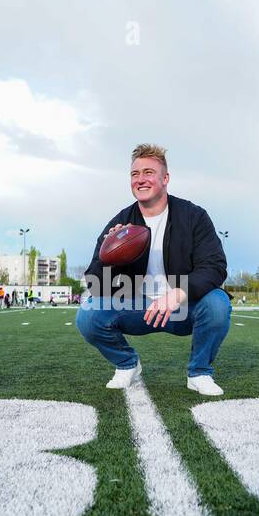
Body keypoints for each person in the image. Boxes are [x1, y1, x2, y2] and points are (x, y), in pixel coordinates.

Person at [76, 143, 230, 396]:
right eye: (135, 174)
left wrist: (178, 293)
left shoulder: (194, 216)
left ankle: (199, 372)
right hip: (137, 307)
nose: (141, 179)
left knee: (217, 304)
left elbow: (215, 267)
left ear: (165, 178)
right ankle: (127, 365)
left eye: (148, 172)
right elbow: (94, 283)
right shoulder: (120, 223)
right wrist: (109, 254)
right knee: (89, 313)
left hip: (182, 306)